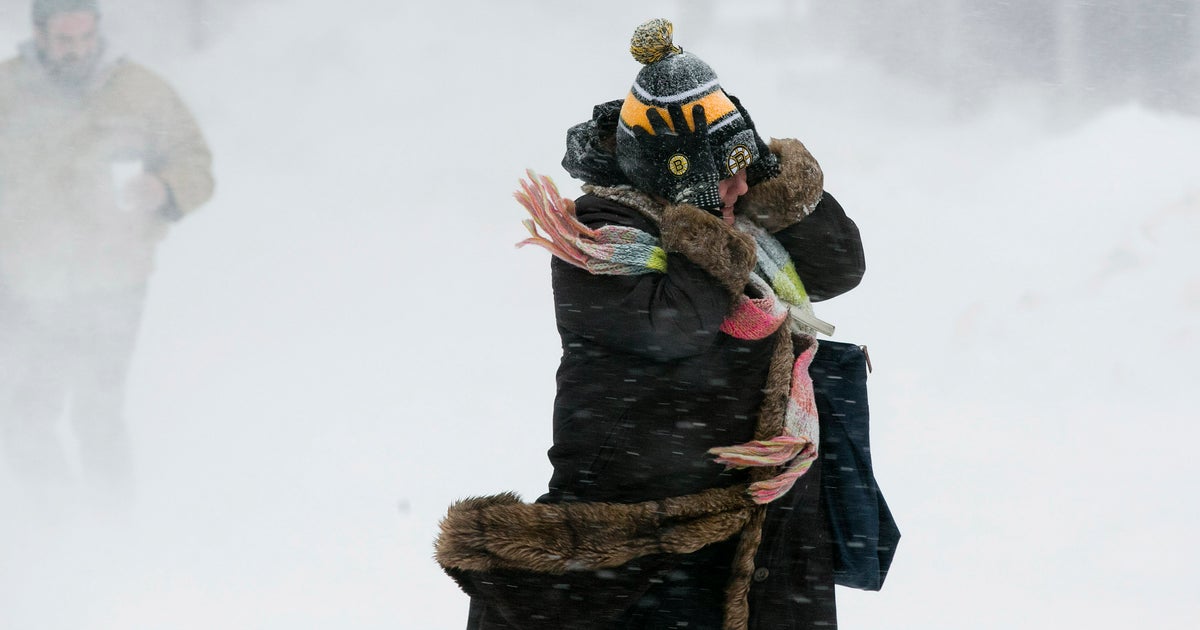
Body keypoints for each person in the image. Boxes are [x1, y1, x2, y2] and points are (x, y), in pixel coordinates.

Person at [436, 19, 864, 629]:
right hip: (637, 549)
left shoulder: (744, 224)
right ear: (678, 171)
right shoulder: (601, 235)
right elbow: (675, 328)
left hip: (754, 532)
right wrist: (702, 228)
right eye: (727, 168)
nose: (743, 184)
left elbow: (840, 266)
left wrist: (770, 173)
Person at [0, 0, 213, 505]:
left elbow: (195, 164)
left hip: (113, 282)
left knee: (97, 414)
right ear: (39, 34)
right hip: (27, 286)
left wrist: (164, 187)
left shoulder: (141, 91)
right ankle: (56, 529)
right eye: (64, 40)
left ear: (98, 30)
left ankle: (112, 534)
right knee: (27, 414)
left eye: (84, 37)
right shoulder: (7, 91)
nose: (76, 50)